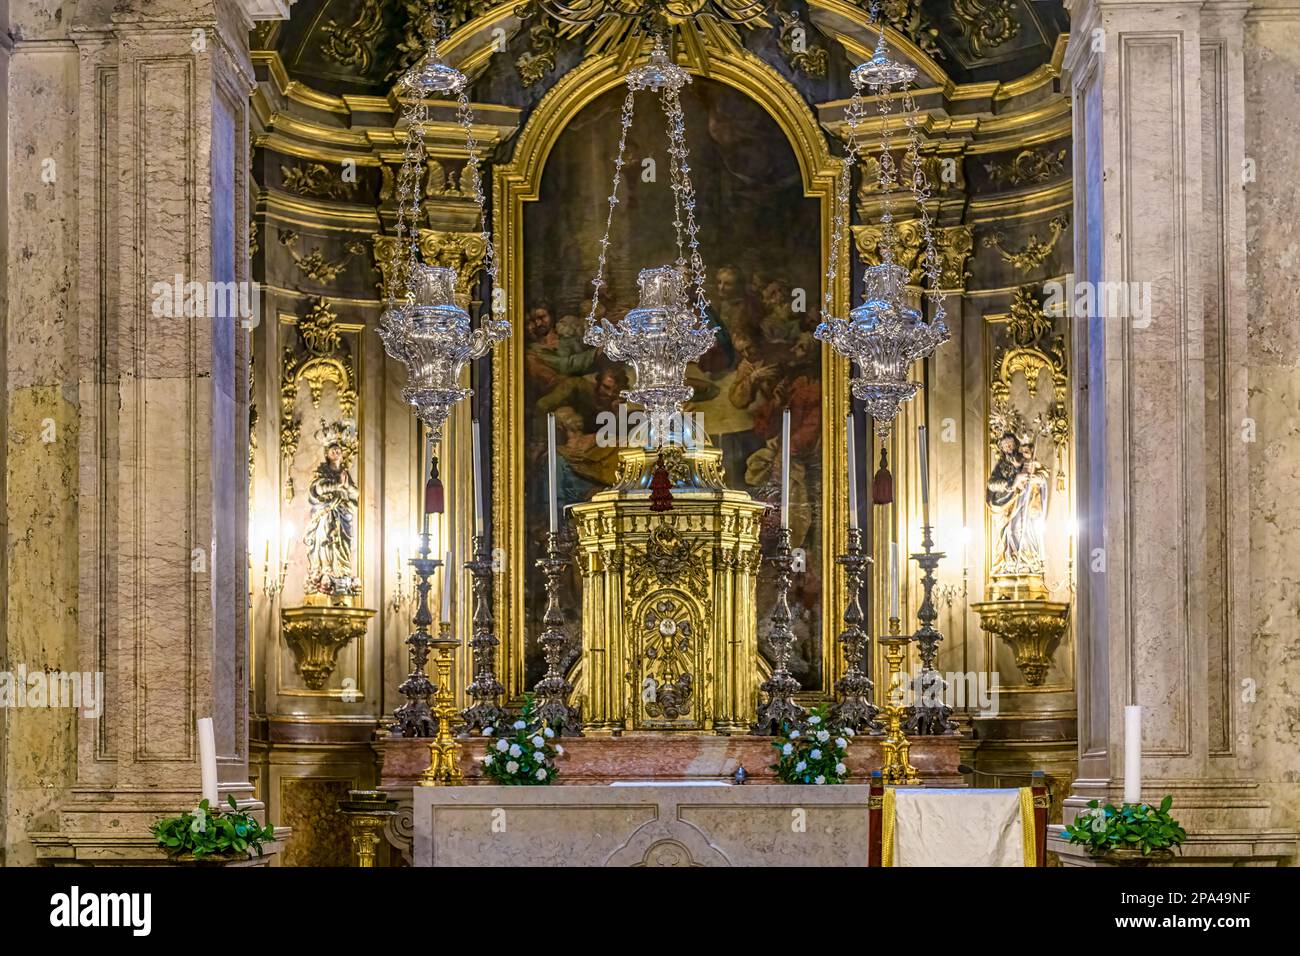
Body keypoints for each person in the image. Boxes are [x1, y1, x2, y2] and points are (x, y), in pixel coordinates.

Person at [303, 431, 360, 599]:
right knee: (326, 541)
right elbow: (316, 489)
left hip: (343, 516)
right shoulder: (322, 472)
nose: (336, 452)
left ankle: (342, 571)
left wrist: (346, 486)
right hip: (326, 515)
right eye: (332, 450)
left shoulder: (345, 474)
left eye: (338, 450)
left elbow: (355, 493)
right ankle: (325, 571)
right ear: (327, 454)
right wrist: (337, 486)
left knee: (343, 543)